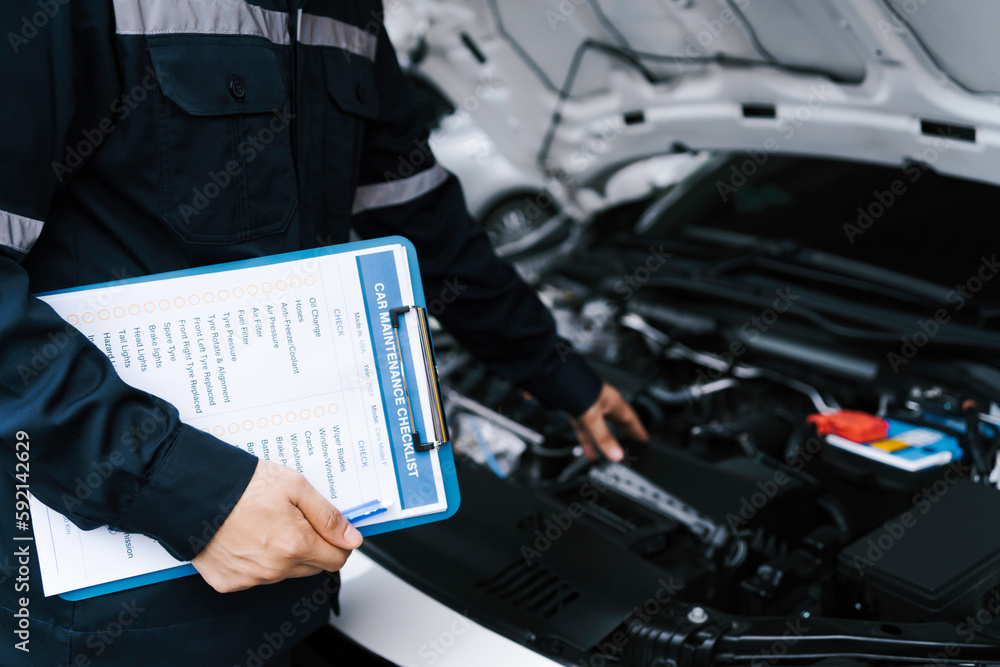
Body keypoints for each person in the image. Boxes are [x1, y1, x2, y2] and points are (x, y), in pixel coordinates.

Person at [0, 1, 648, 664]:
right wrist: (186, 491)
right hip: (112, 609)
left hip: (300, 566)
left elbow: (420, 214)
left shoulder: (349, 15)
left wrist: (553, 368)